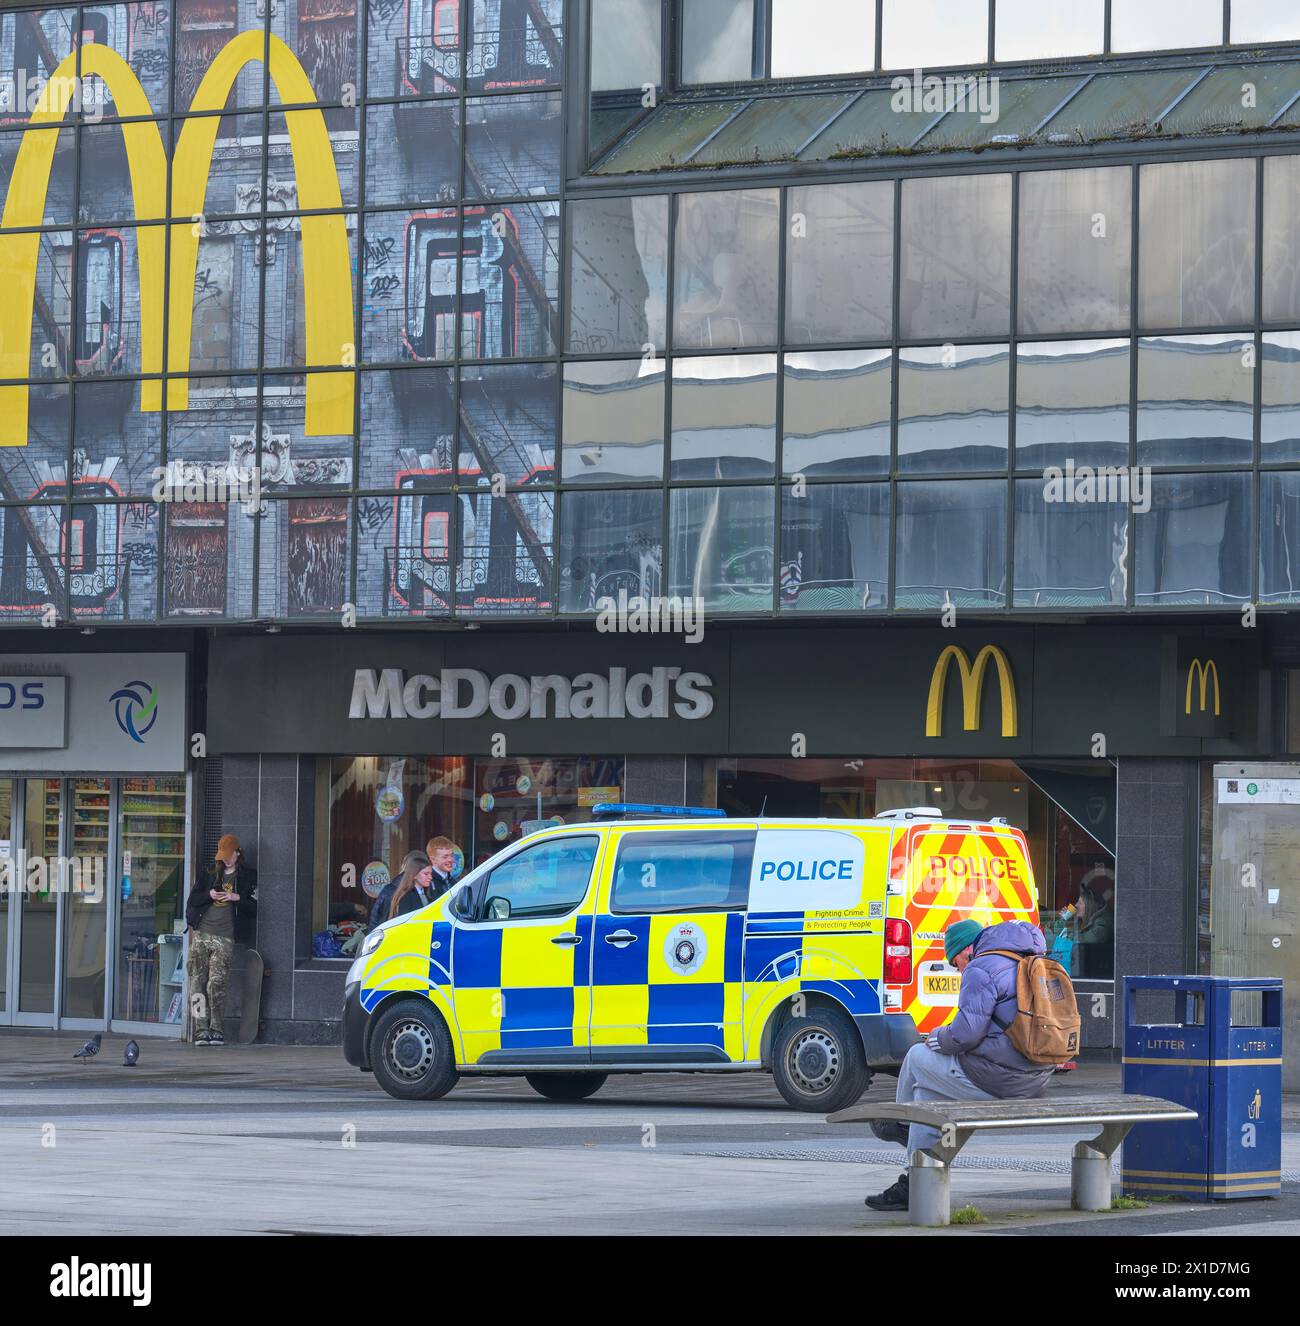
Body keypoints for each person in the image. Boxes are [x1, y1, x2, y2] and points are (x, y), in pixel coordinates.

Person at [865, 916, 1054, 1212]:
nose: (959, 970)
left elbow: (966, 1035)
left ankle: (901, 1123)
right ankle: (915, 1182)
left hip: (999, 1080)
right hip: (1037, 1077)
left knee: (917, 1055)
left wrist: (936, 1037)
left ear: (967, 950)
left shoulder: (981, 967)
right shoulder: (1033, 957)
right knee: (929, 1094)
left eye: (956, 963)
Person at [184, 834, 258, 1046]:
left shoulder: (247, 876)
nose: (225, 860)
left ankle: (217, 1028)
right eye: (222, 856)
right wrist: (209, 894)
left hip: (225, 936)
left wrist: (237, 898)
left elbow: (255, 907)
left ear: (237, 853)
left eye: (229, 855)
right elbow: (193, 900)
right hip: (202, 934)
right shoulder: (209, 874)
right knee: (197, 982)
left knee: (216, 983)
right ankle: (200, 1030)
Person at [367, 850, 431, 929]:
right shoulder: (405, 894)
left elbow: (375, 917)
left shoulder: (424, 889)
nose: (430, 877)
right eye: (426, 873)